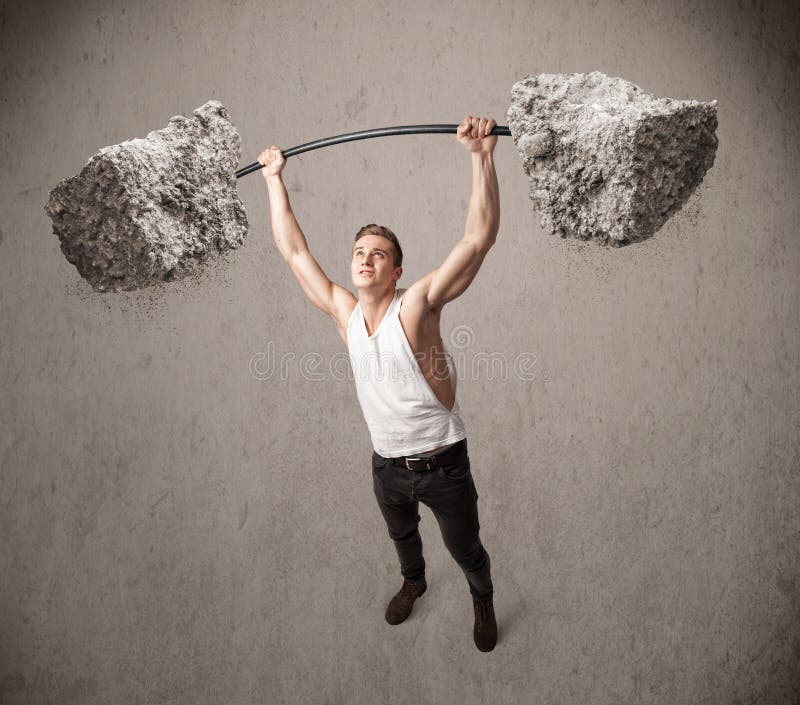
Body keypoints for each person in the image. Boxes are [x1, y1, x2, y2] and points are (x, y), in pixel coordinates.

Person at [258, 115, 500, 652]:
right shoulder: (344, 313)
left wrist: (481, 157)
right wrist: (274, 180)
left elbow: (477, 240)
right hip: (386, 465)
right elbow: (294, 253)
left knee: (467, 550)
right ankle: (414, 581)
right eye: (360, 252)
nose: (366, 259)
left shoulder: (415, 307)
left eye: (379, 254)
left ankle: (481, 595)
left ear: (396, 271)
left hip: (442, 464)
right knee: (402, 538)